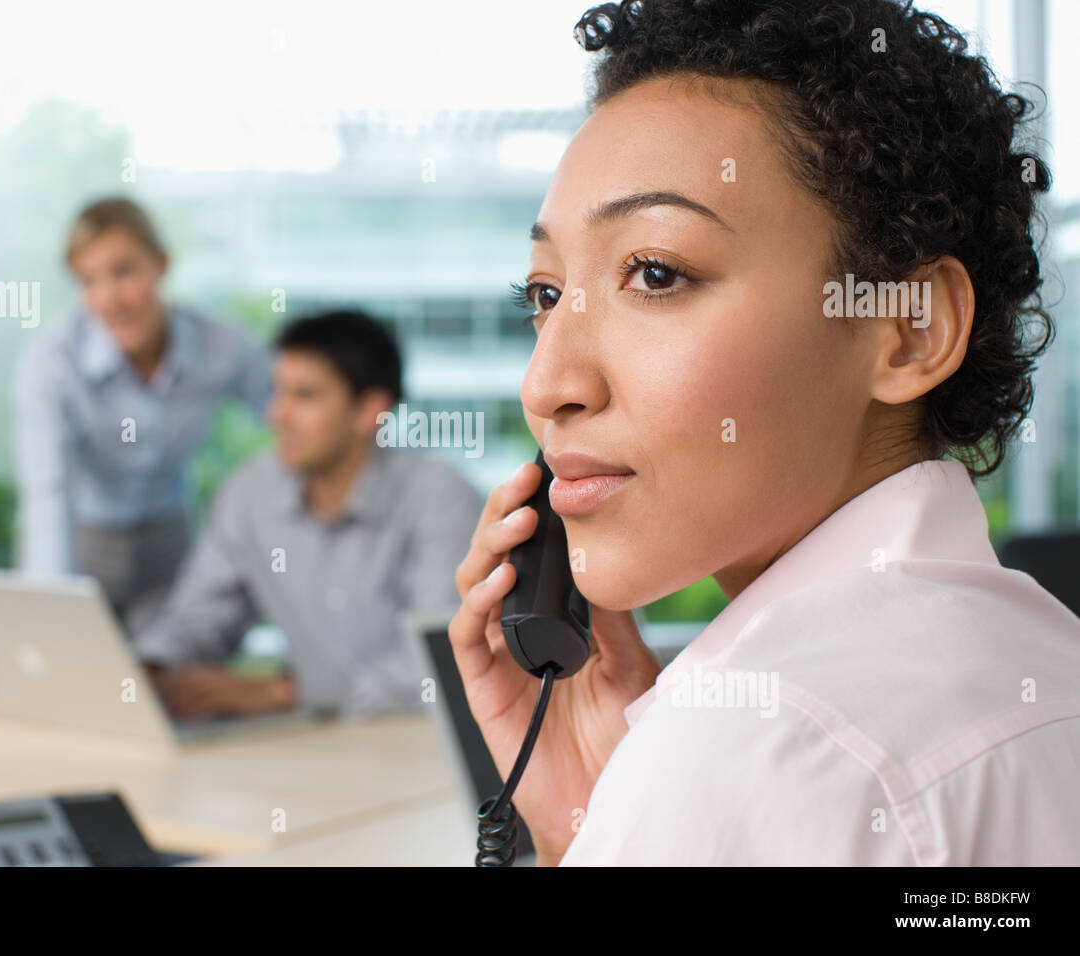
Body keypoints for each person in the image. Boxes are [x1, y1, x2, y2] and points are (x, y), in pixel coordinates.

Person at [451, 0, 1080, 865]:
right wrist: (590, 825)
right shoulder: (1048, 656)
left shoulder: (753, 747)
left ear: (908, 325)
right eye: (546, 296)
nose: (547, 384)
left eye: (656, 273)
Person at [134, 311, 483, 718]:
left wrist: (287, 692)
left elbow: (443, 663)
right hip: (308, 744)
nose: (276, 416)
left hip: (417, 744)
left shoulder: (440, 498)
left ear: (369, 410)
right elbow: (202, 616)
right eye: (276, 392)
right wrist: (148, 668)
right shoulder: (250, 493)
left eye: (304, 396)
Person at [12, 198, 273, 635]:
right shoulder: (51, 362)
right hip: (82, 543)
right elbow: (47, 495)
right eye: (88, 280)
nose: (109, 299)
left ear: (162, 264)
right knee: (77, 677)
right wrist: (52, 616)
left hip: (170, 546)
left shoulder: (221, 347)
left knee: (166, 681)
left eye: (123, 271)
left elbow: (292, 413)